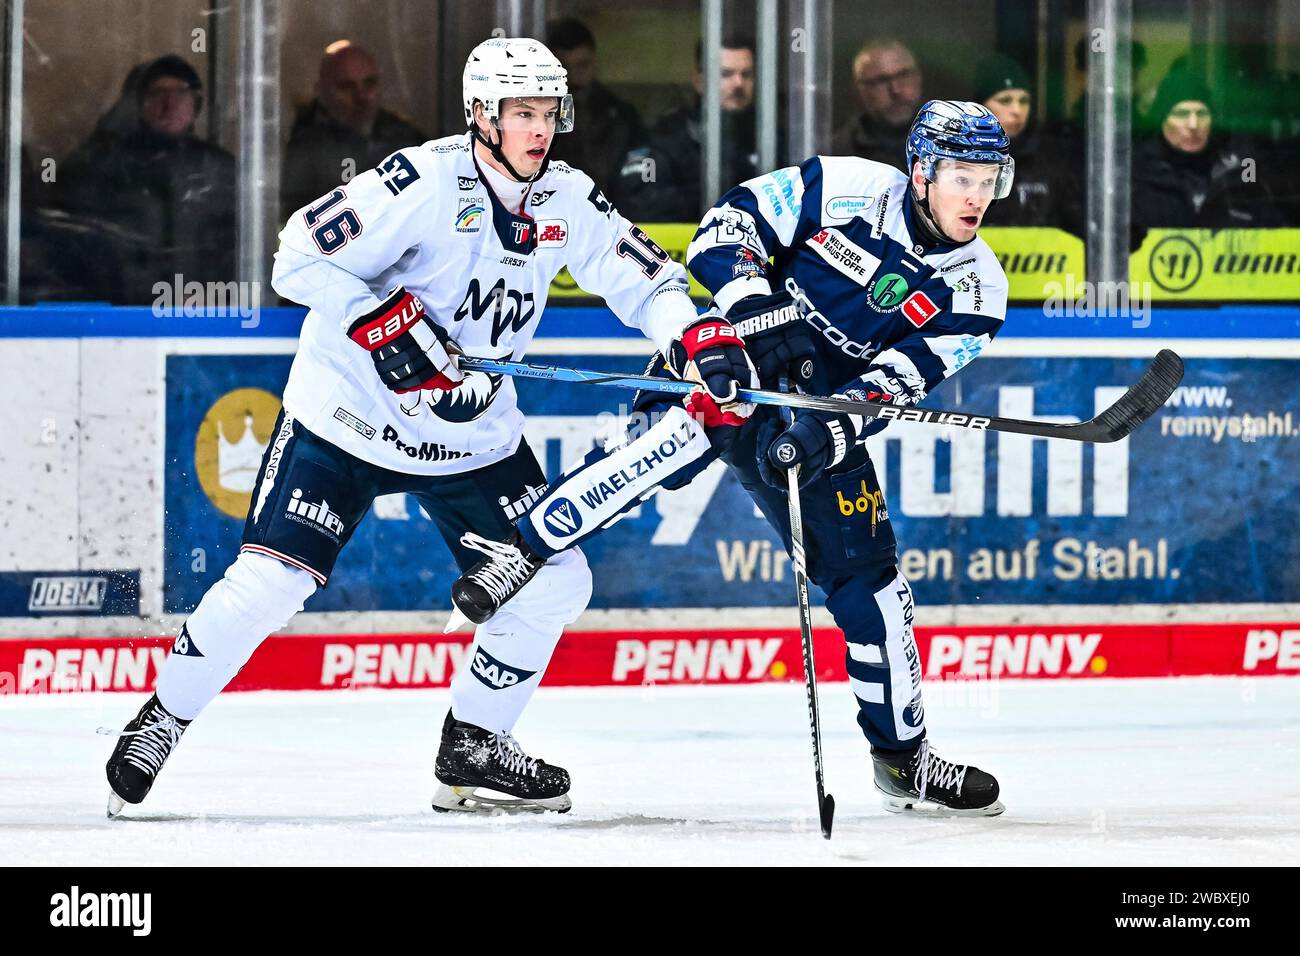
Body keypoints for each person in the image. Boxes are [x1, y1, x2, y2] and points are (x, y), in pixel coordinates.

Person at [101, 36, 757, 817]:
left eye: (549, 112)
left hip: (471, 438)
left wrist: (697, 338)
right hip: (348, 416)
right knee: (271, 582)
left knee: (556, 579)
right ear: (482, 115)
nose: (539, 130)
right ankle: (161, 720)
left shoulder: (567, 197)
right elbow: (294, 258)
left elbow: (644, 280)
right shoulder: (421, 180)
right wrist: (382, 318)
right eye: (522, 113)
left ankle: (474, 743)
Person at [452, 100, 1014, 816]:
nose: (976, 197)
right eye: (962, 176)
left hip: (814, 415)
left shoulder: (977, 287)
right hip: (733, 360)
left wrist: (827, 433)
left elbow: (898, 382)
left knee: (875, 590)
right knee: (680, 434)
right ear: (922, 170)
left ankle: (904, 762)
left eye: (989, 179)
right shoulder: (845, 186)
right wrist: (751, 308)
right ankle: (520, 548)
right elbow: (724, 230)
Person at [56, 55, 236, 303]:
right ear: (136, 104)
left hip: (206, 319)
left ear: (196, 103)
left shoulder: (221, 169)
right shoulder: (99, 166)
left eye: (181, 92)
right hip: (120, 318)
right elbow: (71, 247)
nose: (170, 103)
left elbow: (241, 249)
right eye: (157, 92)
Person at [1130, 66, 1285, 242]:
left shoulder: (1241, 168)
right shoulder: (1138, 173)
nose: (1193, 124)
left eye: (1202, 113)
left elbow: (1271, 230)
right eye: (1181, 114)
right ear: (1162, 119)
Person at [281, 40, 428, 220]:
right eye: (347, 86)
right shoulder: (302, 149)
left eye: (369, 83)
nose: (361, 97)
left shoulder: (406, 139)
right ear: (321, 91)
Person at [618, 36, 758, 222]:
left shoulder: (770, 139)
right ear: (699, 81)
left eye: (746, 75)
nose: (738, 83)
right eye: (726, 74)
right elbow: (642, 203)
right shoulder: (665, 138)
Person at [975, 54, 1080, 232]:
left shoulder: (1049, 160)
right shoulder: (961, 160)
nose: (1017, 110)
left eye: (1024, 101)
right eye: (1005, 100)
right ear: (981, 106)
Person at [543, 17, 642, 206]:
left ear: (594, 62)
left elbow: (640, 173)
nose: (573, 76)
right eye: (564, 68)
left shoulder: (621, 114)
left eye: (582, 65)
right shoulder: (540, 118)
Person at [831, 39, 924, 171]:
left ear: (918, 77)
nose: (895, 90)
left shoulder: (950, 140)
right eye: (881, 81)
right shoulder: (838, 156)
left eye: (903, 75)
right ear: (859, 90)